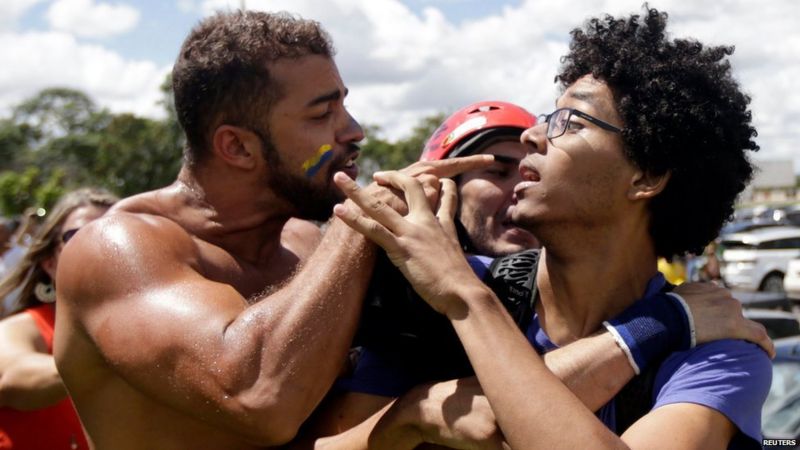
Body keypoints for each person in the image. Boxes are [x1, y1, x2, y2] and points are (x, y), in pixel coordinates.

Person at [333, 6, 771, 449]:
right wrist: (412, 414)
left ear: (646, 177)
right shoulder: (437, 301)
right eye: (548, 116)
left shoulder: (717, 350)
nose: (532, 135)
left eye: (572, 122)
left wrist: (465, 297)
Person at [52, 10, 489, 450]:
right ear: (237, 146)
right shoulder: (116, 249)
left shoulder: (302, 240)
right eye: (322, 115)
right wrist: (359, 223)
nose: (354, 131)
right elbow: (260, 398)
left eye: (343, 104)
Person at [0, 188, 118, 450]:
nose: (102, 247)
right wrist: (120, 356)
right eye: (79, 236)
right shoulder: (18, 328)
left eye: (117, 233)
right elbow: (13, 379)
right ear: (49, 263)